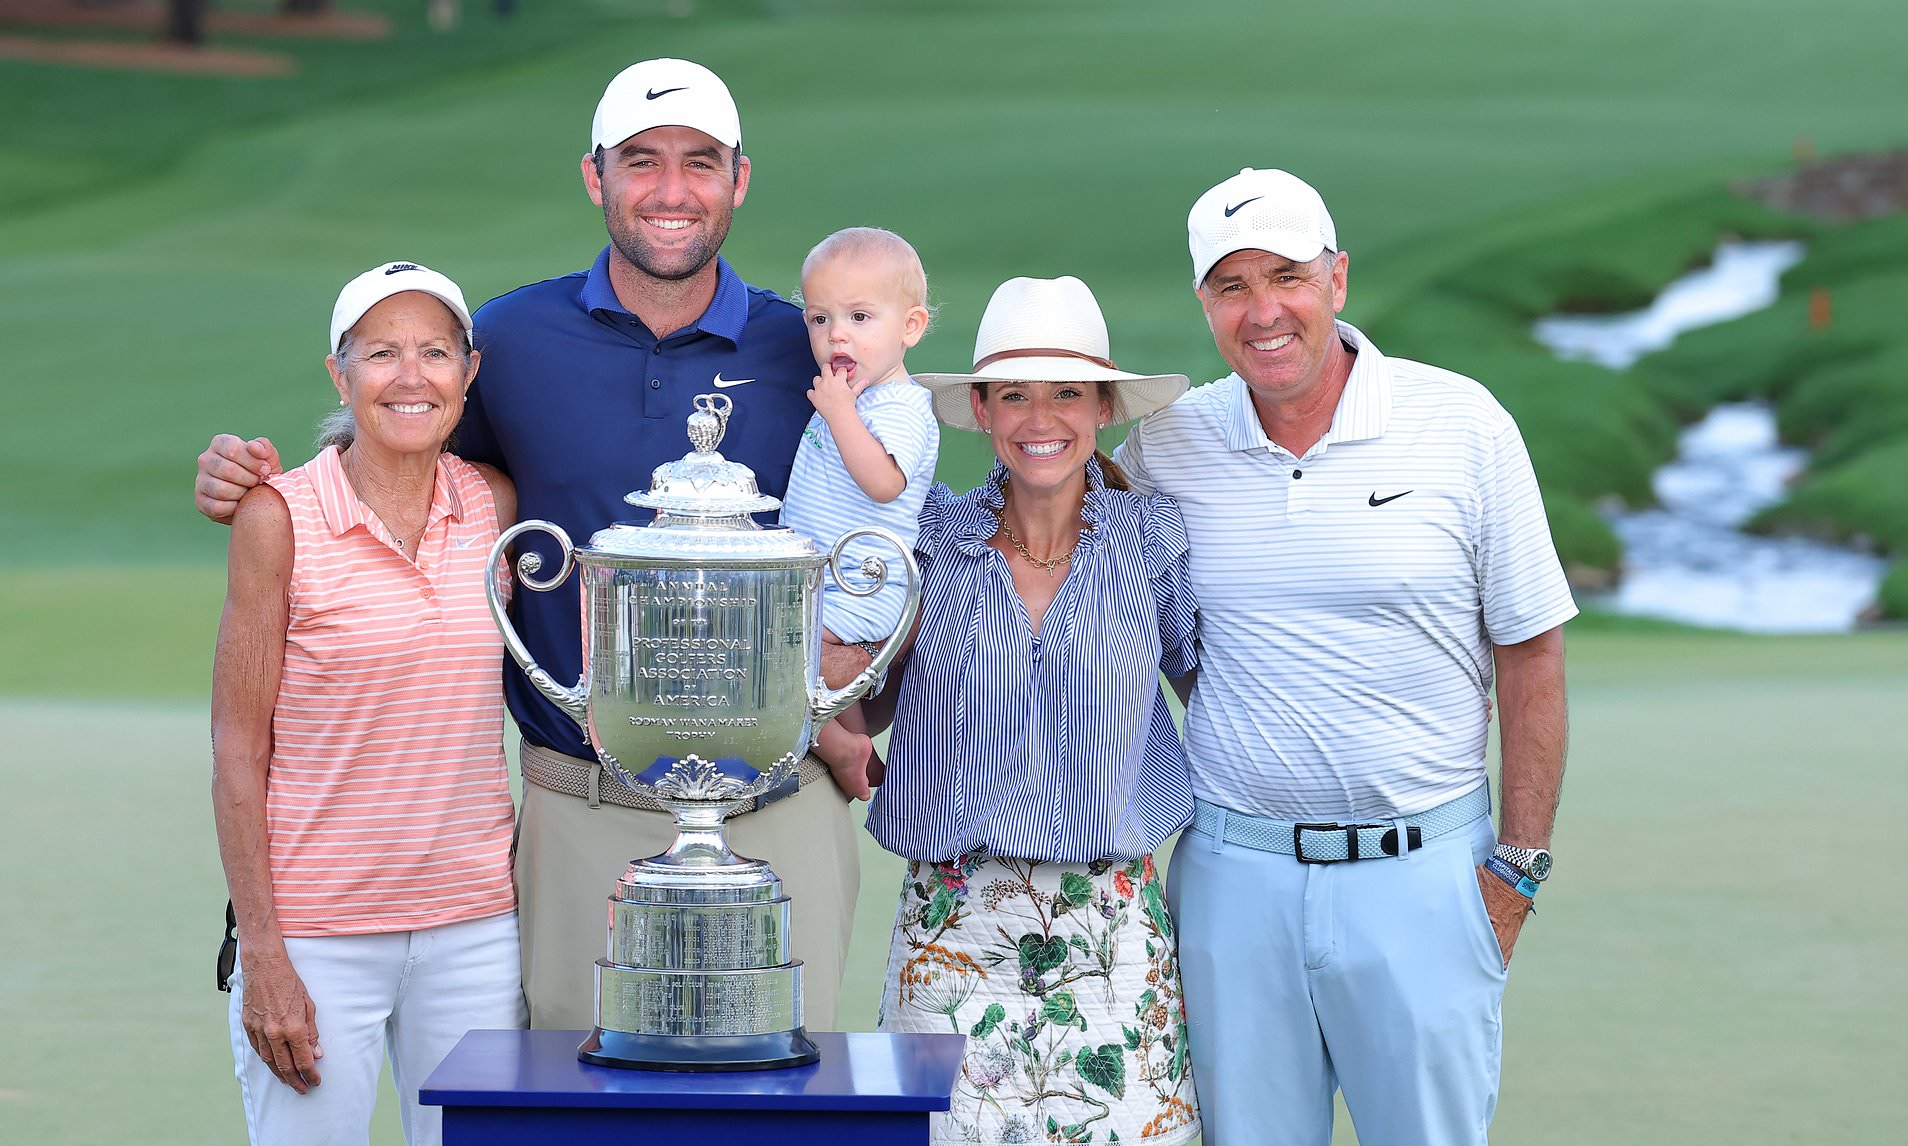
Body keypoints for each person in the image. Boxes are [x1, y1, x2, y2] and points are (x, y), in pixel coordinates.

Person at [193, 58, 872, 1031]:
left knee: (773, 1106)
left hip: (778, 807)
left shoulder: (807, 346)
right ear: (595, 177)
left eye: (700, 162)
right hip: (580, 808)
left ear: (740, 180)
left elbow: (893, 520)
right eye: (641, 162)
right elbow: (396, 463)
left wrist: (853, 699)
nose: (671, 191)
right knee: (576, 1111)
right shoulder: (511, 342)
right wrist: (249, 477)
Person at [1114, 167, 1577, 1146]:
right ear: (1204, 304)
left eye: (1285, 275)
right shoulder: (1170, 441)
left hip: (1424, 879)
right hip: (1233, 885)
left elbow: (1532, 657)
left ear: (1338, 280)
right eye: (1230, 287)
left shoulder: (1463, 426)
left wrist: (1518, 873)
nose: (1262, 311)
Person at [870, 277, 1201, 1146]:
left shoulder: (1152, 538)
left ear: (1102, 409)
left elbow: (1209, 688)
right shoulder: (928, 542)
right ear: (979, 408)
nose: (1039, 416)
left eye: (1065, 392)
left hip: (1111, 935)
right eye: (1014, 392)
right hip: (953, 926)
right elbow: (863, 698)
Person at [211, 262, 526, 1146]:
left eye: (435, 352)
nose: (411, 376)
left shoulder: (495, 506)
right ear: (339, 373)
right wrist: (264, 955)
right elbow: (238, 748)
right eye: (381, 353)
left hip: (475, 928)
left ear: (469, 371)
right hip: (318, 937)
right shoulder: (278, 516)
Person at [781, 226, 939, 798]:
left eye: (860, 318)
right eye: (820, 320)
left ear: (911, 328)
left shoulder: (901, 406)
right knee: (789, 658)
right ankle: (850, 743)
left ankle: (850, 755)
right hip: (824, 581)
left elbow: (883, 483)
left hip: (862, 587)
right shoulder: (857, 397)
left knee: (781, 653)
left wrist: (841, 413)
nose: (836, 335)